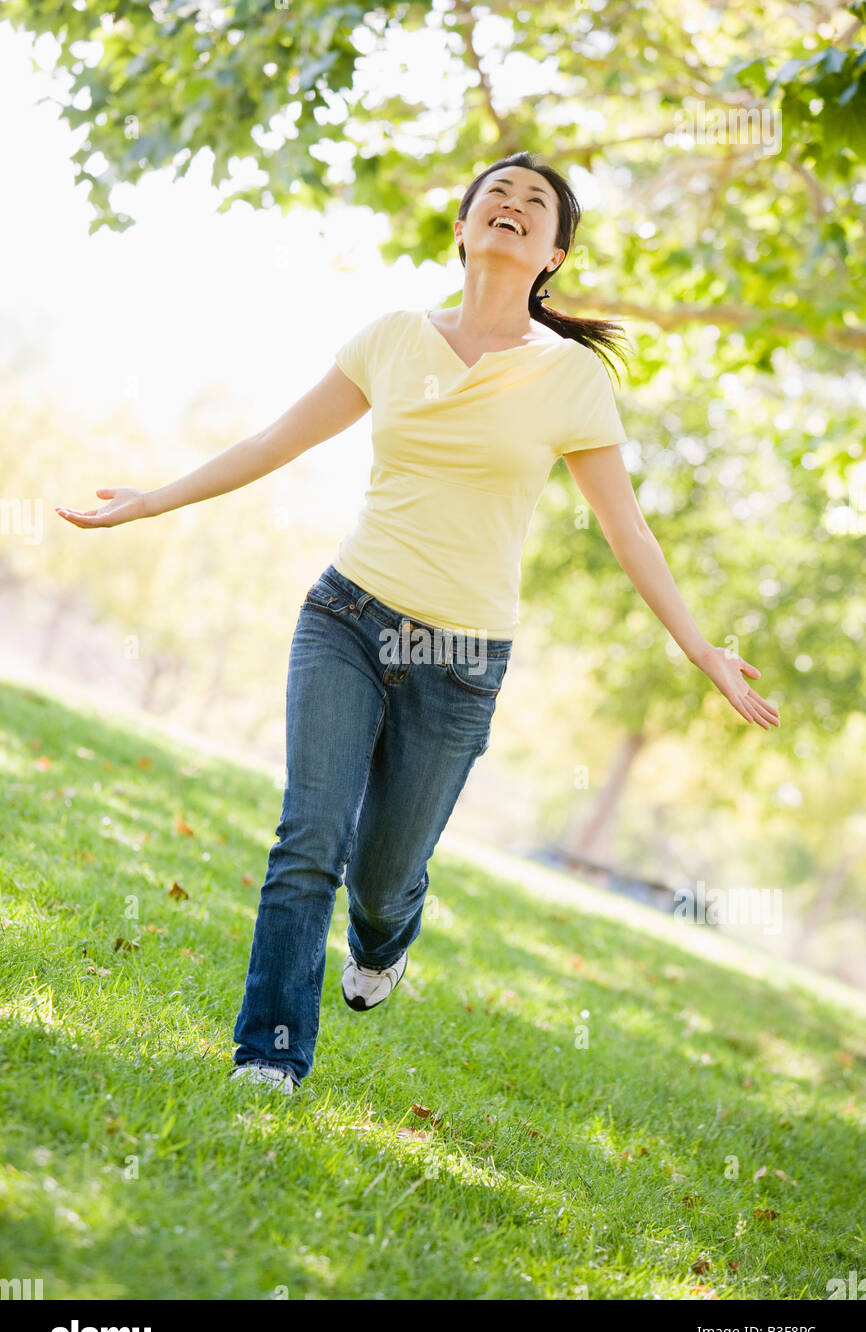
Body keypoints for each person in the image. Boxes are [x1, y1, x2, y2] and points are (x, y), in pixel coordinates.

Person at [56, 152, 781, 1097]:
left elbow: (626, 528)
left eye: (535, 206)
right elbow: (278, 439)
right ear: (464, 228)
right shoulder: (394, 336)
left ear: (554, 253)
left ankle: (385, 935)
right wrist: (156, 499)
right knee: (307, 836)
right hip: (348, 615)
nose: (512, 208)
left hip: (461, 656)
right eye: (497, 196)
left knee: (383, 872)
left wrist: (700, 649)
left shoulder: (569, 379)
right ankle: (270, 1052)